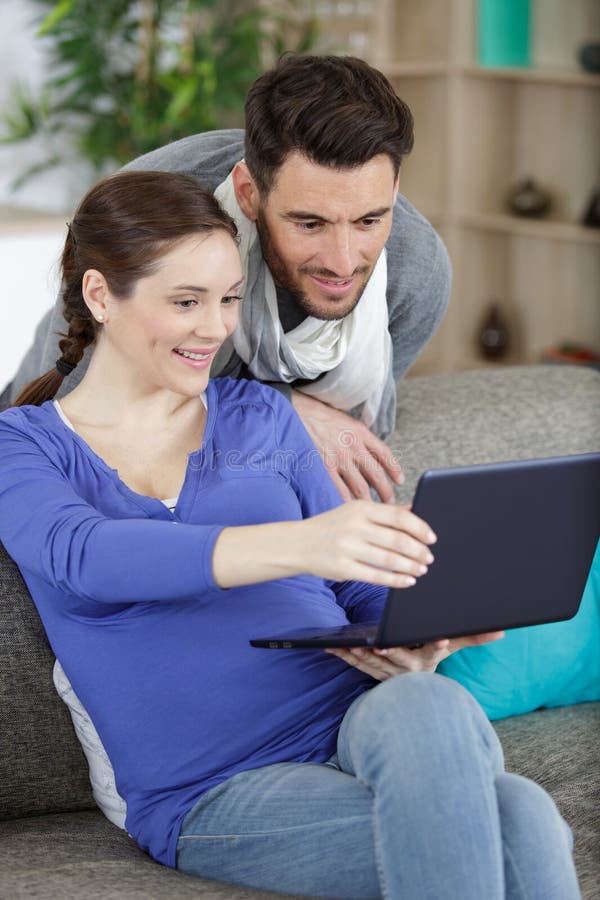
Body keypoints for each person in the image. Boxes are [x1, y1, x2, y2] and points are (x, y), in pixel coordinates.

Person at [0, 170, 580, 900]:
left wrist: (405, 638)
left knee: (431, 701)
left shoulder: (261, 415)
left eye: (228, 300)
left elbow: (361, 591)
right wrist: (301, 543)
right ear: (98, 296)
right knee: (519, 817)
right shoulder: (24, 446)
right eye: (185, 302)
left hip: (355, 721)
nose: (214, 328)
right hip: (215, 788)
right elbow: (86, 556)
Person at [6, 53, 452, 504]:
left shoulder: (416, 273)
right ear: (248, 193)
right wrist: (285, 408)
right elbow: (83, 418)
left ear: (394, 190)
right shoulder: (152, 217)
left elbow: (349, 430)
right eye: (309, 224)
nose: (342, 262)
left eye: (369, 220)